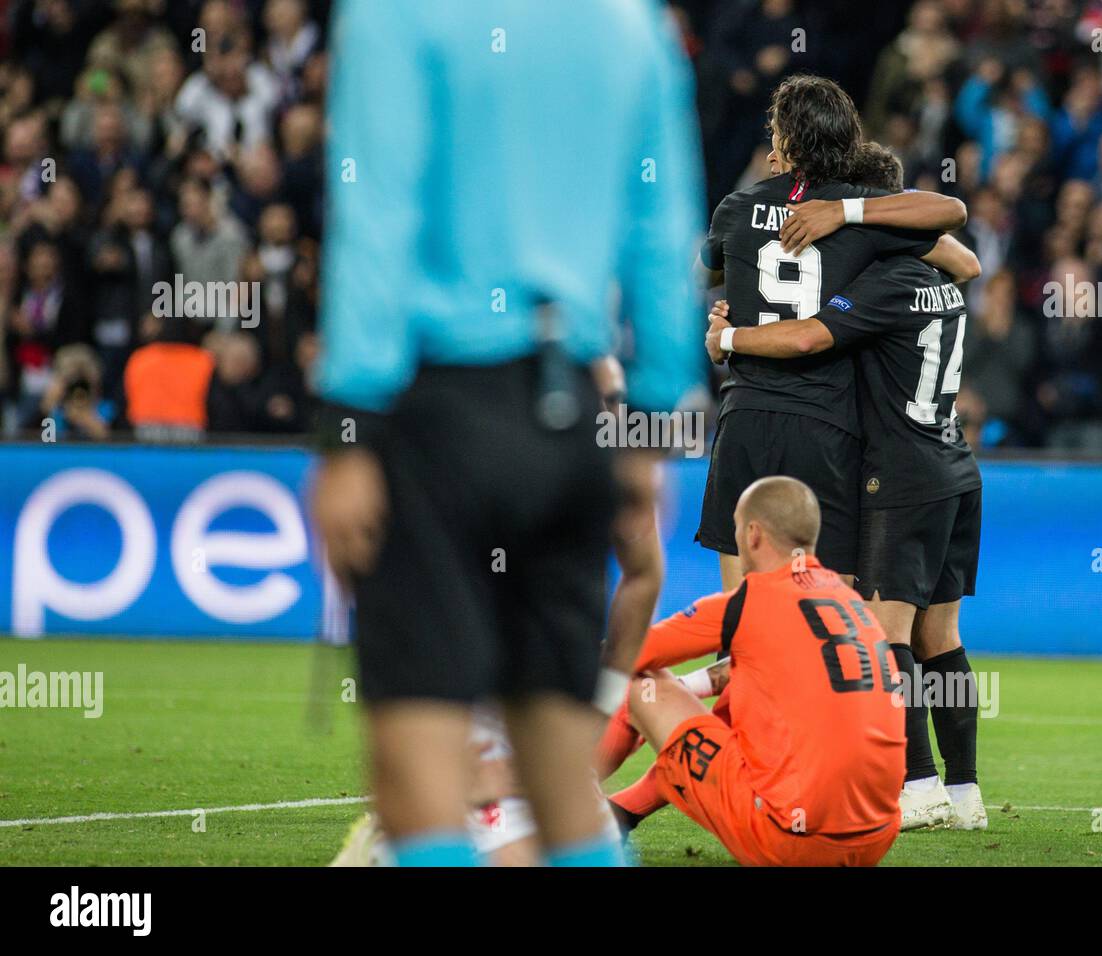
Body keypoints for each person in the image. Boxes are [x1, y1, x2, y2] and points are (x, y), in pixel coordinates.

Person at [312, 0, 704, 867]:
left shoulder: (394, 15)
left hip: (434, 414)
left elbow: (373, 213)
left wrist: (346, 430)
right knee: (562, 786)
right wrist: (649, 421)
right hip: (571, 413)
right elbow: (664, 229)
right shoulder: (629, 23)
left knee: (421, 785)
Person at [706, 245, 987, 831]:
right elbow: (967, 259)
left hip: (903, 475)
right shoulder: (944, 281)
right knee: (942, 636)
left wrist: (730, 339)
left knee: (887, 637)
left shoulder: (882, 283)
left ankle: (920, 785)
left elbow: (809, 336)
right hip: (956, 466)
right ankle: (966, 796)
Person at [696, 74, 977, 590]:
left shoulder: (734, 208)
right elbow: (959, 239)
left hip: (744, 418)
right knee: (832, 605)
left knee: (739, 606)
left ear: (783, 139)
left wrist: (726, 329)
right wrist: (852, 212)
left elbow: (709, 269)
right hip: (824, 425)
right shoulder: (862, 217)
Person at [604, 476, 906, 866]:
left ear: (753, 534)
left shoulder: (751, 602)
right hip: (874, 839)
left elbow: (626, 654)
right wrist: (690, 688)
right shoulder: (850, 604)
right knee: (736, 708)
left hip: (789, 841)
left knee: (641, 683)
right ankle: (619, 813)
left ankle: (561, 809)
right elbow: (757, 672)